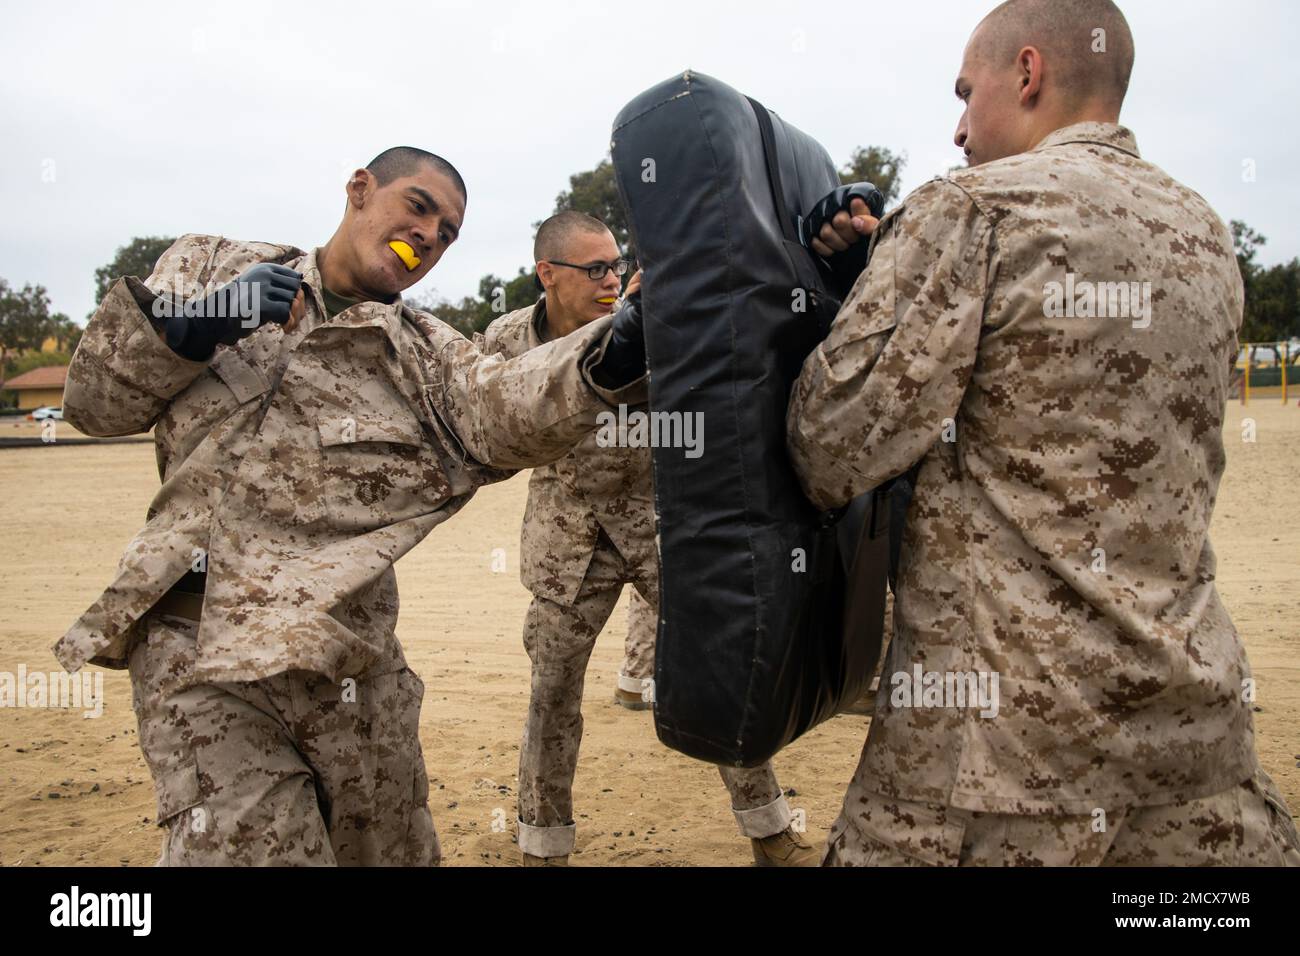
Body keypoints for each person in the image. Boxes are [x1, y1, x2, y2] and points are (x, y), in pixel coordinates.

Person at [788, 0, 1300, 865]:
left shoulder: (973, 210)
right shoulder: (1207, 232)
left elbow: (830, 446)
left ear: (1026, 74)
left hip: (996, 754)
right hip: (1192, 737)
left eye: (965, 92)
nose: (956, 129)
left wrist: (843, 313)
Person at [54, 147, 647, 866]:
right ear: (360, 189)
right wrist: (190, 330)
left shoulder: (426, 357)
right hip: (204, 647)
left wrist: (615, 353)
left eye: (449, 232)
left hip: (353, 663)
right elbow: (92, 404)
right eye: (419, 208)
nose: (430, 235)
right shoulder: (211, 266)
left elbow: (507, 407)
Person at [480, 211, 818, 866]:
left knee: (721, 675)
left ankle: (771, 829)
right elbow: (490, 426)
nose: (612, 279)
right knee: (552, 695)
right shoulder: (506, 339)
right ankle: (542, 845)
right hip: (565, 536)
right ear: (547, 274)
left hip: (661, 523)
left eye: (616, 265)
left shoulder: (660, 323)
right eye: (595, 269)